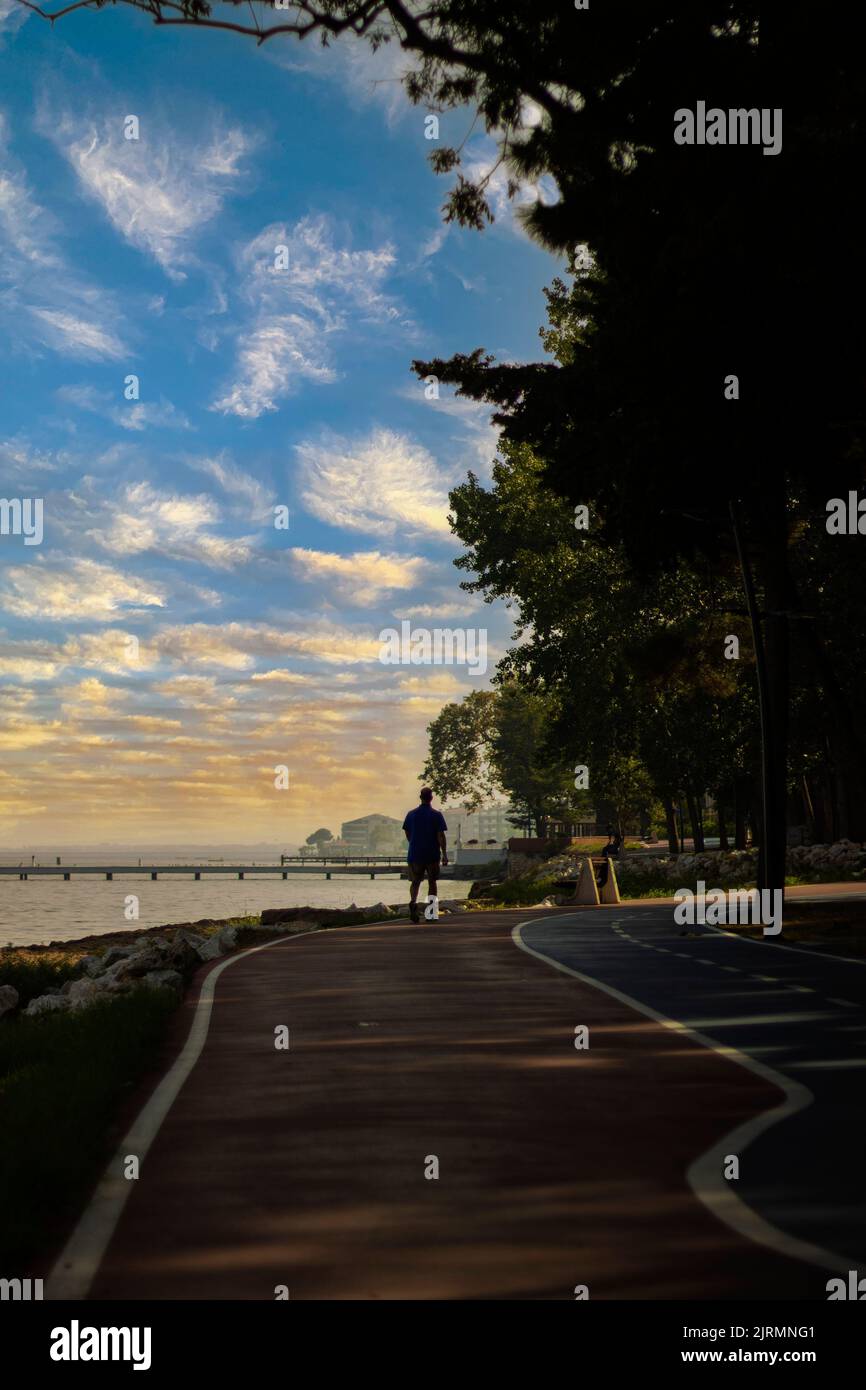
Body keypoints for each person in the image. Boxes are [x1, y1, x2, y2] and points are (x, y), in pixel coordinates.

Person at [402, 788, 448, 924]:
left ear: (420, 797)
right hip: (432, 854)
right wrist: (444, 854)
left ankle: (413, 902)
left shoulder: (411, 815)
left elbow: (407, 833)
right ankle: (431, 912)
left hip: (415, 854)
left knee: (415, 882)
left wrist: (414, 843)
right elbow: (440, 835)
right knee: (432, 882)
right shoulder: (436, 815)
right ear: (431, 798)